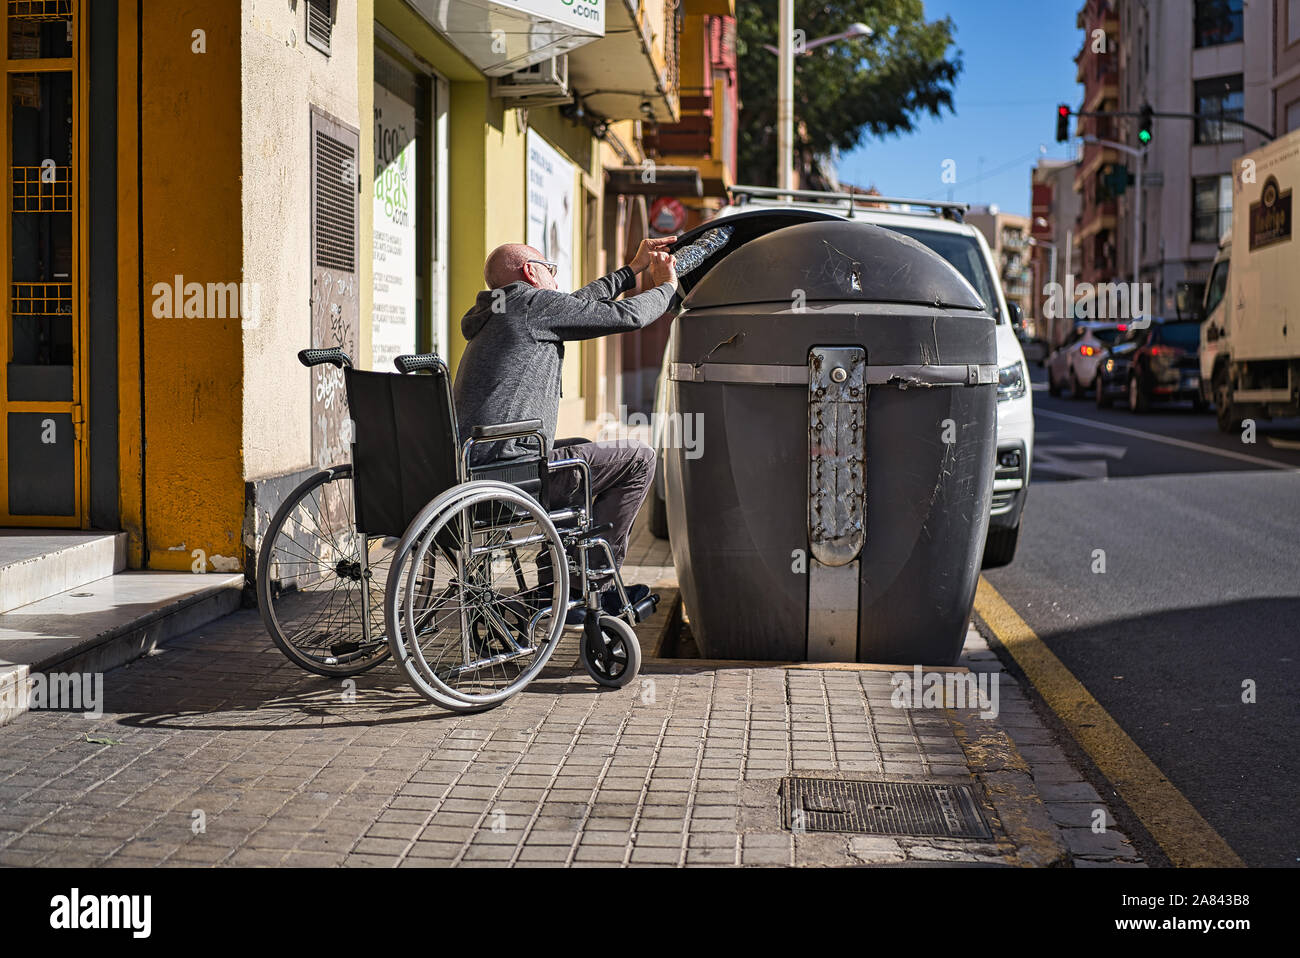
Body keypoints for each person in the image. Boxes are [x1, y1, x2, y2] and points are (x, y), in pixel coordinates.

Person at [453, 237, 679, 621]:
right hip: (511, 478)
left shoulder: (499, 311)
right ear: (530, 272)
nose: (555, 279)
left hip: (477, 469)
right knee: (639, 457)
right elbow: (628, 317)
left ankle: (555, 585)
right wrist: (666, 288)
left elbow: (578, 306)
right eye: (550, 269)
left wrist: (632, 271)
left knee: (583, 450)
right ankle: (596, 585)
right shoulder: (531, 304)